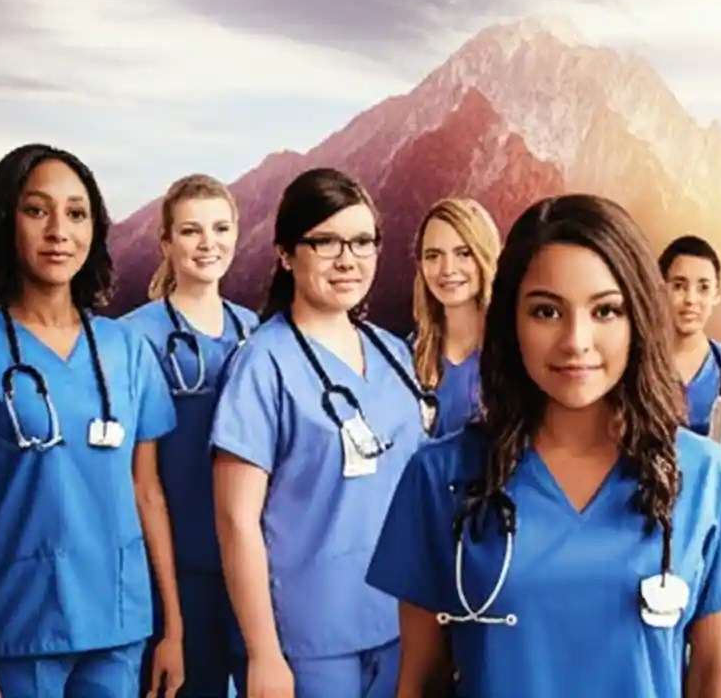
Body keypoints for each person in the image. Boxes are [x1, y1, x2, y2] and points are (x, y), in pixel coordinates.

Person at [365, 193, 721, 698]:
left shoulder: (707, 480)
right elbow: (421, 681)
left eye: (606, 311)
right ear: (510, 322)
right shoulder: (439, 477)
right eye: (546, 311)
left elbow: (715, 679)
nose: (576, 340)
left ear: (640, 321)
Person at [0, 144, 182, 697]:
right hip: (18, 627)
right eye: (37, 210)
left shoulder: (126, 350)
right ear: (7, 222)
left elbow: (147, 492)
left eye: (76, 213)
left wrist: (173, 625)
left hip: (120, 625)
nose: (59, 230)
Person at [210, 167, 428, 698]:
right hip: (308, 637)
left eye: (361, 241)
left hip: (401, 622)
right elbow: (235, 519)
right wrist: (263, 653)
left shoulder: (393, 354)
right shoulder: (263, 364)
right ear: (286, 254)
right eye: (325, 242)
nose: (347, 259)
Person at [122, 173, 258, 697]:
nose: (208, 243)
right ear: (166, 242)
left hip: (250, 568)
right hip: (176, 573)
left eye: (220, 228)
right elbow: (142, 482)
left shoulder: (256, 333)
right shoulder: (136, 338)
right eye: (191, 231)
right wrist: (171, 619)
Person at [410, 197, 502, 437]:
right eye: (433, 255)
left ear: (485, 257)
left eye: (463, 253)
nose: (448, 269)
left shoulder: (515, 350)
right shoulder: (406, 354)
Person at [657, 235, 721, 436]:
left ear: (717, 294)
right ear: (660, 290)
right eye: (679, 286)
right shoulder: (637, 363)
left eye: (703, 288)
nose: (691, 299)